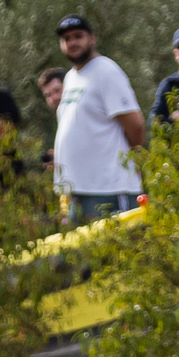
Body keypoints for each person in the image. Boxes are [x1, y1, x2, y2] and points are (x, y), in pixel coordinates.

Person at [53, 15, 146, 223]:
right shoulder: (70, 77)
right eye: (67, 39)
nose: (73, 42)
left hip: (108, 188)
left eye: (78, 36)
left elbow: (135, 125)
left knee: (117, 252)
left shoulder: (106, 71)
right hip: (75, 189)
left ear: (92, 39)